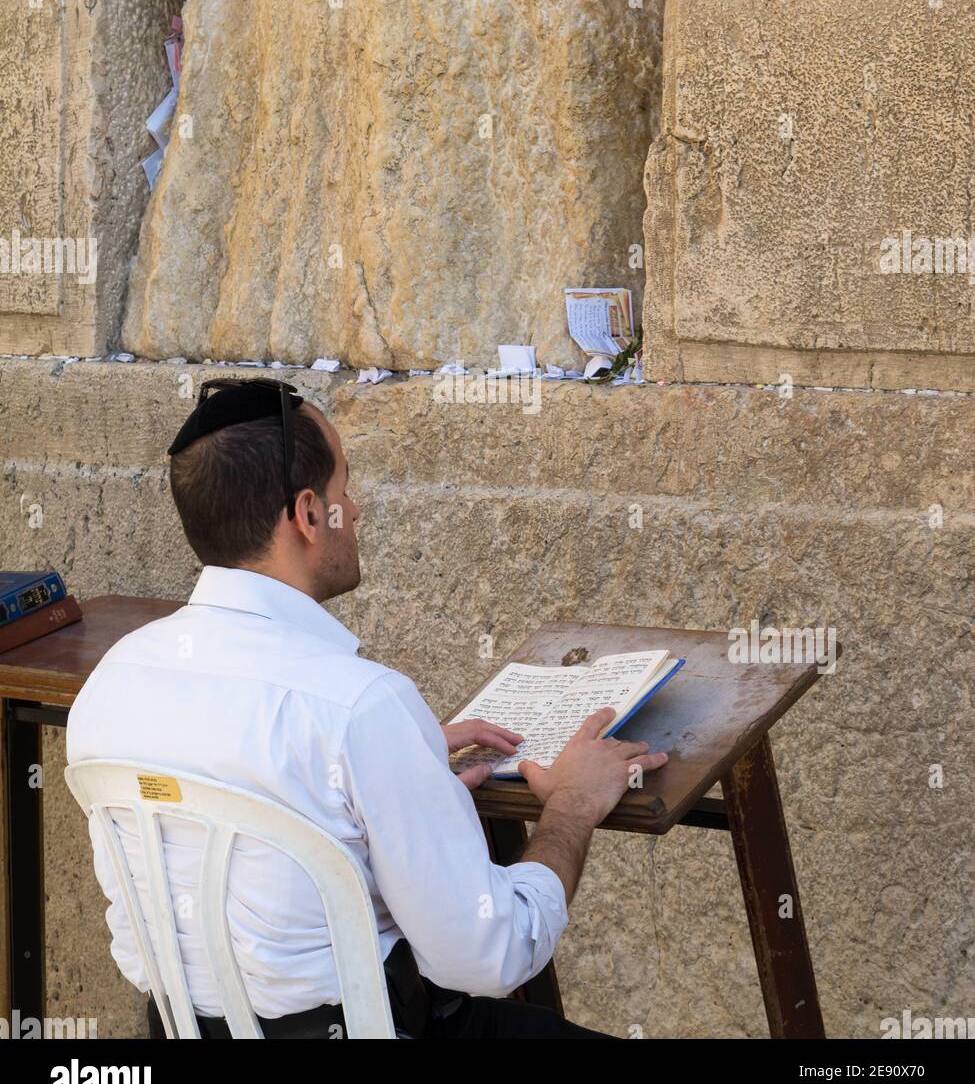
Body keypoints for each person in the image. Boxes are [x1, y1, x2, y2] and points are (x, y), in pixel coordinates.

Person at [67, 378, 668, 1039]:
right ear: (306, 514)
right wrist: (572, 807)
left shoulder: (113, 683)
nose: (353, 509)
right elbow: (489, 955)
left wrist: (382, 772)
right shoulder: (358, 706)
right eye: (343, 490)